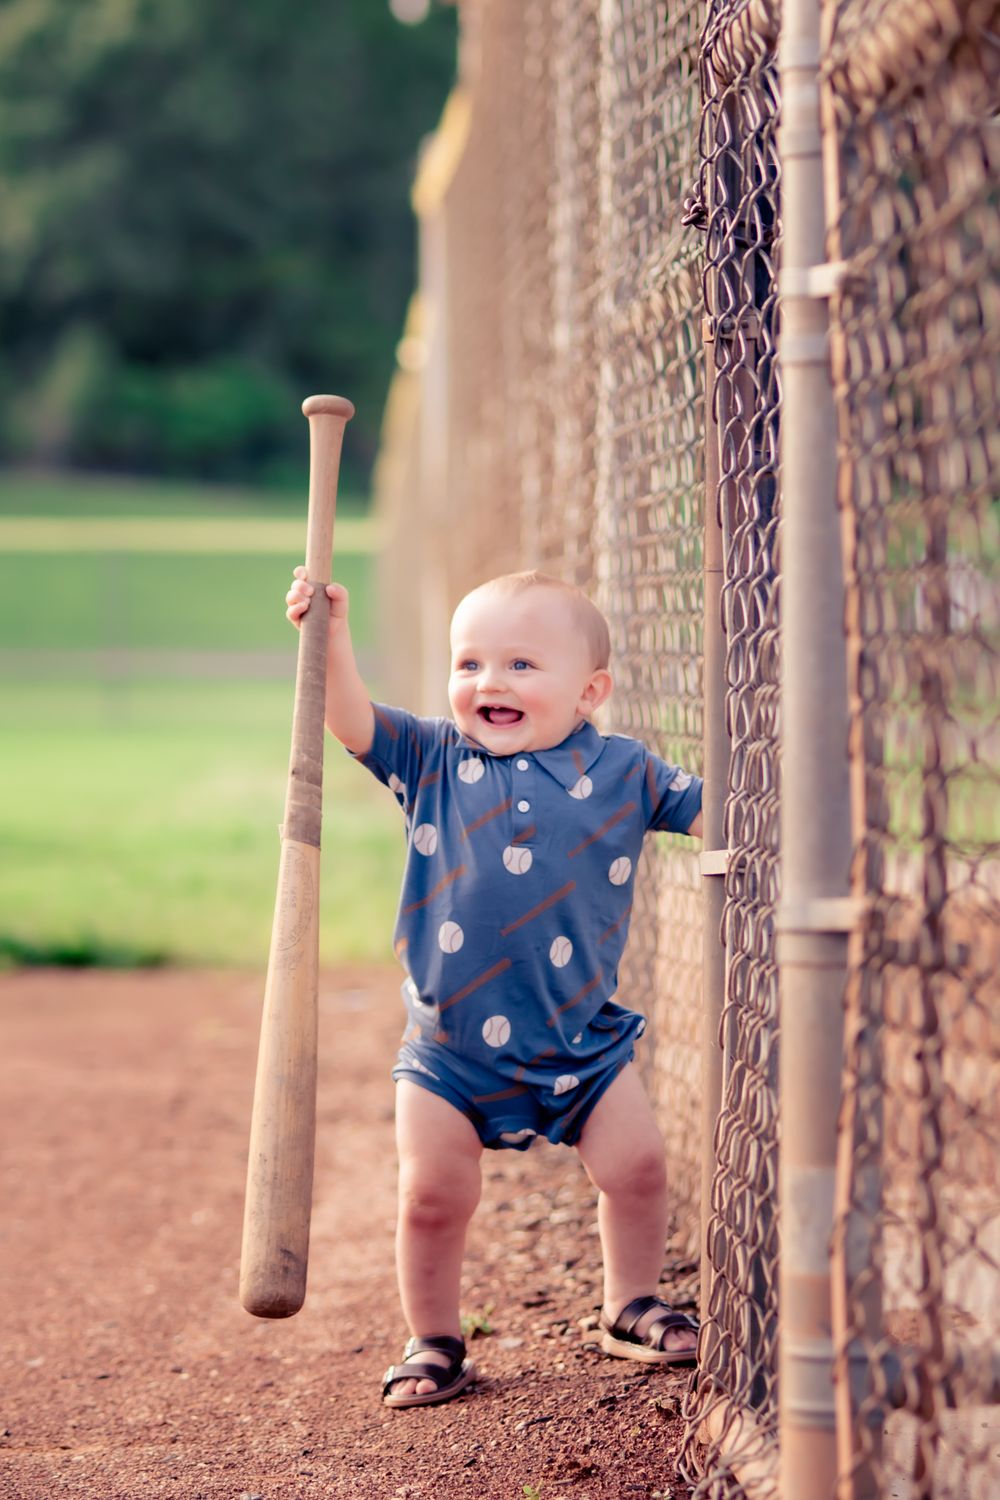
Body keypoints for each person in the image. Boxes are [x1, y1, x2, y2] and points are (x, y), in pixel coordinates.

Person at [285, 566, 703, 1408]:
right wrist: (326, 637)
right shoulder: (435, 756)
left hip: (579, 1039)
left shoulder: (628, 772)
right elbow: (349, 719)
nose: (489, 683)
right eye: (469, 663)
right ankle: (436, 1338)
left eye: (520, 665)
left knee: (639, 1166)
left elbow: (717, 809)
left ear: (590, 692)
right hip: (450, 1048)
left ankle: (628, 1303)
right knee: (433, 1193)